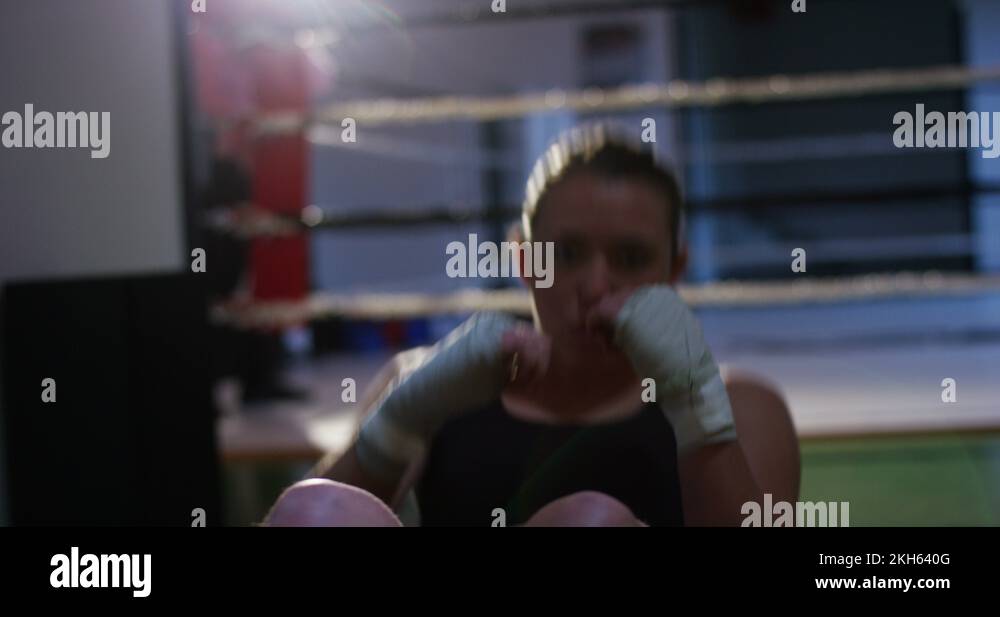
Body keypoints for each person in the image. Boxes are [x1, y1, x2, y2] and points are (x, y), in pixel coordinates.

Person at [264, 123, 796, 526]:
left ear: (674, 271)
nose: (595, 285)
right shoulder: (425, 381)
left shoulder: (740, 406)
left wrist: (700, 417)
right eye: (567, 254)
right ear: (524, 261)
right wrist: (401, 421)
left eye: (631, 258)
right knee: (318, 510)